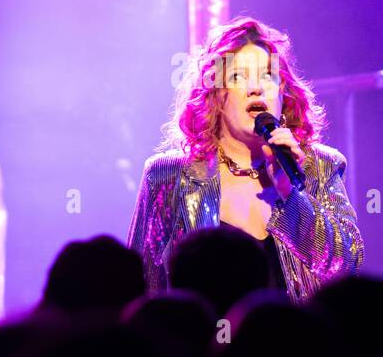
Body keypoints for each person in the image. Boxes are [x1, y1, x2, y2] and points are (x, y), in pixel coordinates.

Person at [127, 16, 363, 302]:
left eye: (267, 75)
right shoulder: (169, 176)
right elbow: (139, 292)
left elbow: (345, 268)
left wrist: (290, 195)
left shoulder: (319, 168)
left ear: (283, 92)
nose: (256, 88)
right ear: (216, 95)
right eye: (238, 76)